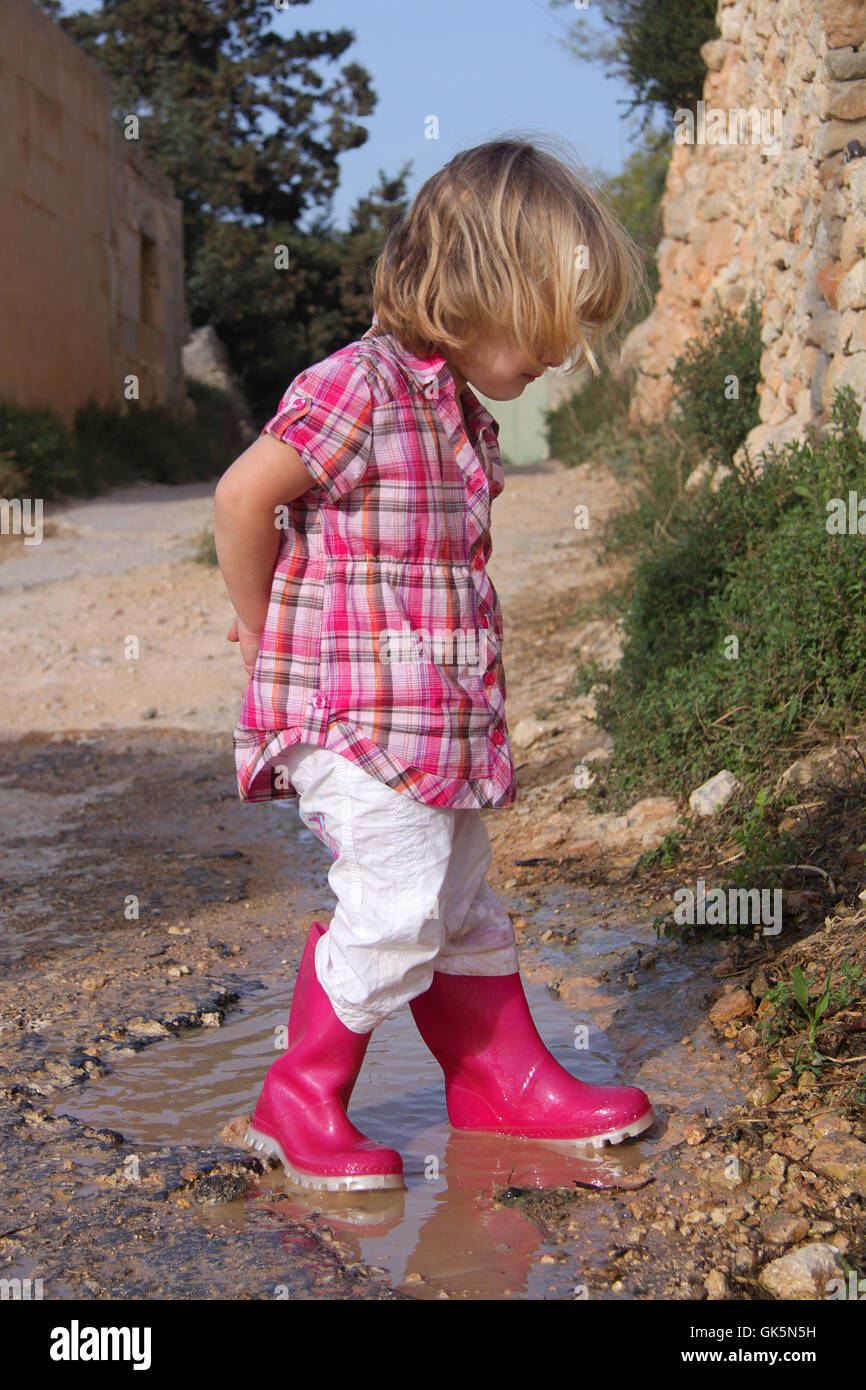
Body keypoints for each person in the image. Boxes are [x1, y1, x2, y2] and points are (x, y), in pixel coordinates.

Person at [213, 136, 655, 1193]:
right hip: (356, 720)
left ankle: (501, 1081)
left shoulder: (458, 412)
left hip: (434, 721)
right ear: (480, 287)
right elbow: (241, 497)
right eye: (553, 326)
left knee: (459, 901)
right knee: (398, 898)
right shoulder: (356, 385)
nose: (563, 353)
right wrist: (263, 621)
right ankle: (300, 1098)